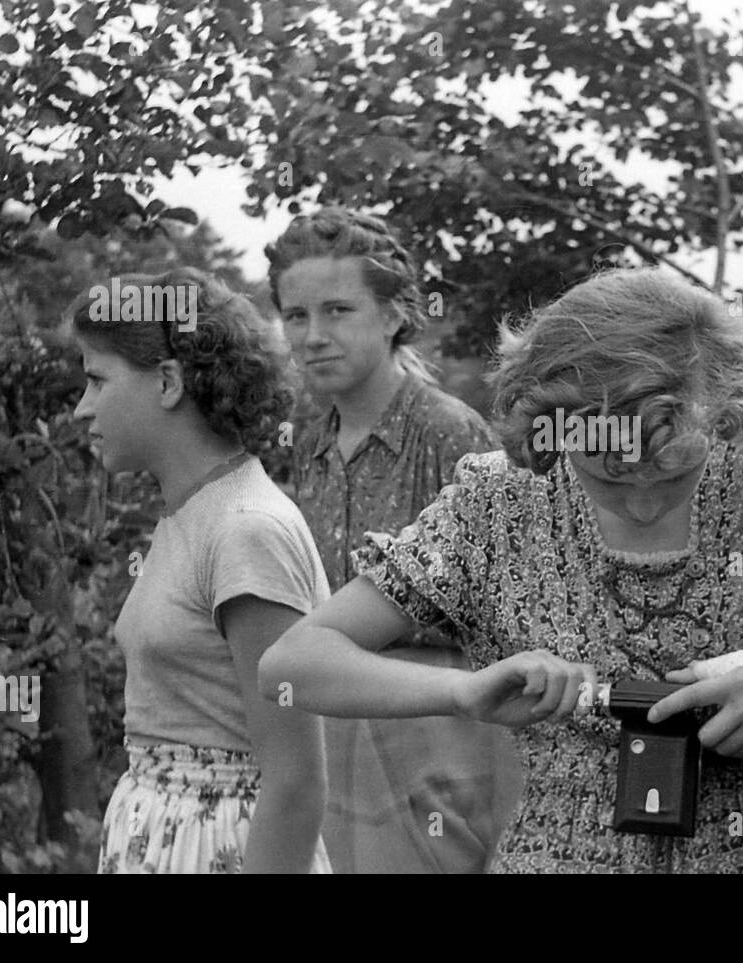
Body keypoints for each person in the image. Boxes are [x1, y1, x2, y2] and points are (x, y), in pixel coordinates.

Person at [258, 265, 743, 873]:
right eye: (605, 478)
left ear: (725, 410)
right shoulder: (501, 497)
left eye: (670, 475)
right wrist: (462, 690)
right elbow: (295, 662)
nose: (640, 497)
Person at [265, 207, 523, 874]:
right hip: (334, 719)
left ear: (392, 315)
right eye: (296, 316)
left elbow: (511, 606)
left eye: (339, 310)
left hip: (442, 730)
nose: (314, 335)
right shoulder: (313, 440)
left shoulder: (448, 432)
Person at [69, 267, 331, 873]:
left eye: (96, 380)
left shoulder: (245, 528)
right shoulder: (191, 512)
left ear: (167, 383)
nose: (83, 409)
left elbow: (295, 783)